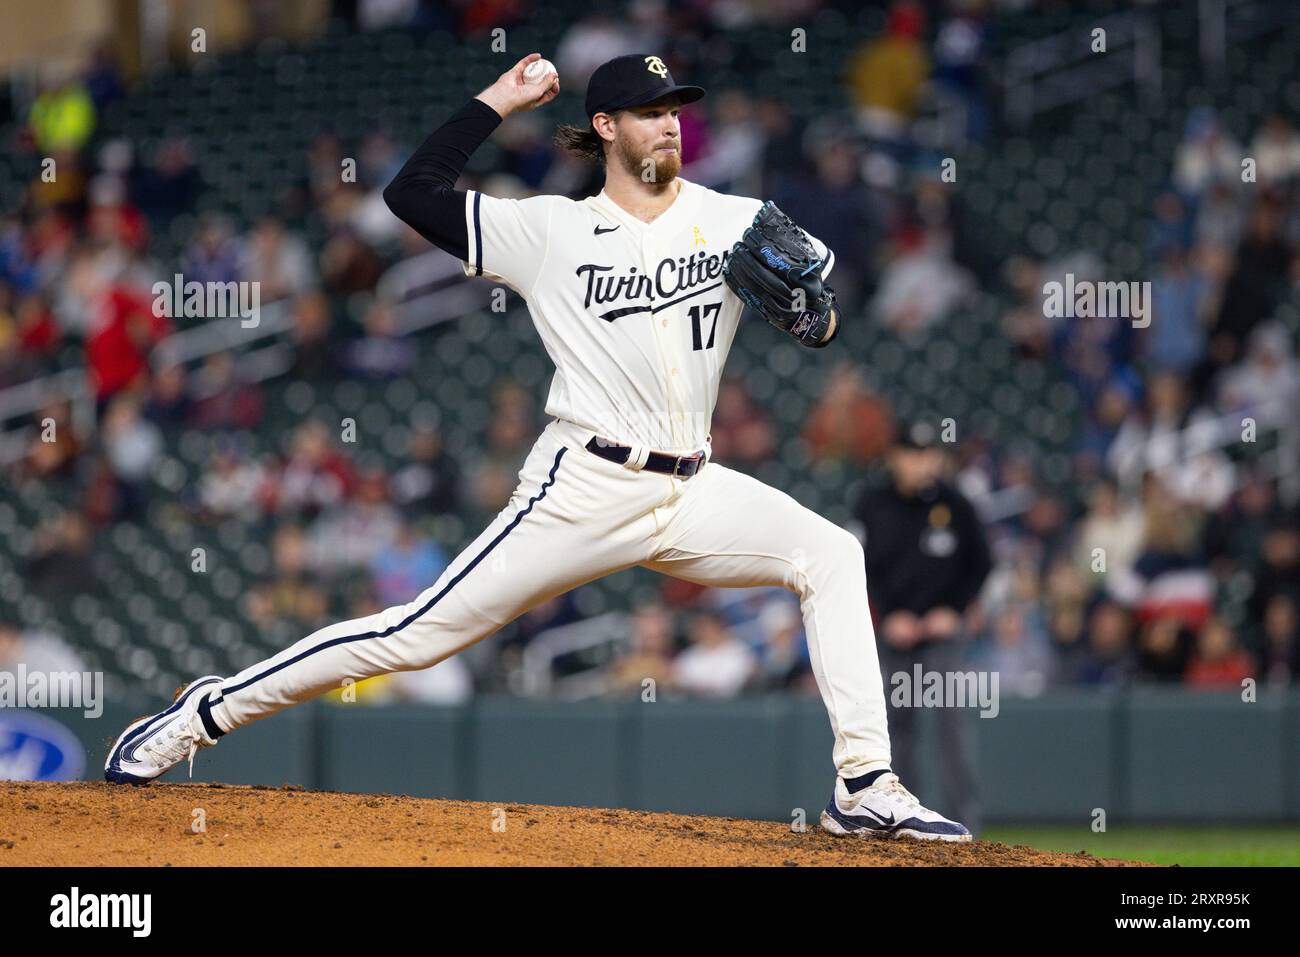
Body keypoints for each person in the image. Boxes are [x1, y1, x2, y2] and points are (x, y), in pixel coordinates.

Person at [104, 53, 970, 842]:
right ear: (605, 128)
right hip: (584, 483)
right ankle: (198, 716)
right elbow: (413, 193)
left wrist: (817, 320)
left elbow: (822, 308)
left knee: (831, 554)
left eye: (675, 108)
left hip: (693, 485)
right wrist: (497, 99)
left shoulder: (737, 218)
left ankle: (864, 783)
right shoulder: (549, 230)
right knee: (411, 636)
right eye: (647, 110)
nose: (669, 122)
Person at [853, 421, 992, 832]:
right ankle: (901, 823)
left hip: (941, 636)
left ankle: (965, 827)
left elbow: (981, 563)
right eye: (913, 454)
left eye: (929, 454)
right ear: (895, 456)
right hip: (894, 636)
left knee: (951, 730)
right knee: (893, 734)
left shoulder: (955, 503)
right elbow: (856, 562)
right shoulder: (872, 502)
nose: (922, 462)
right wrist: (888, 612)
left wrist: (953, 608)